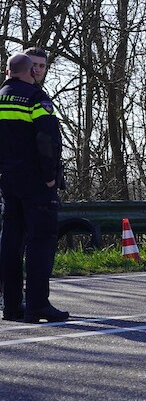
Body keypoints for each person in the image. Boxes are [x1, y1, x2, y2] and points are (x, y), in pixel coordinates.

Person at [0, 53, 68, 323]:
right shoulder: (35, 98)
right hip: (36, 181)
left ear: (7, 71)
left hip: (7, 180)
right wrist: (50, 176)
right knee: (42, 239)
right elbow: (46, 137)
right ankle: (38, 304)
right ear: (29, 71)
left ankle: (12, 305)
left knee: (11, 241)